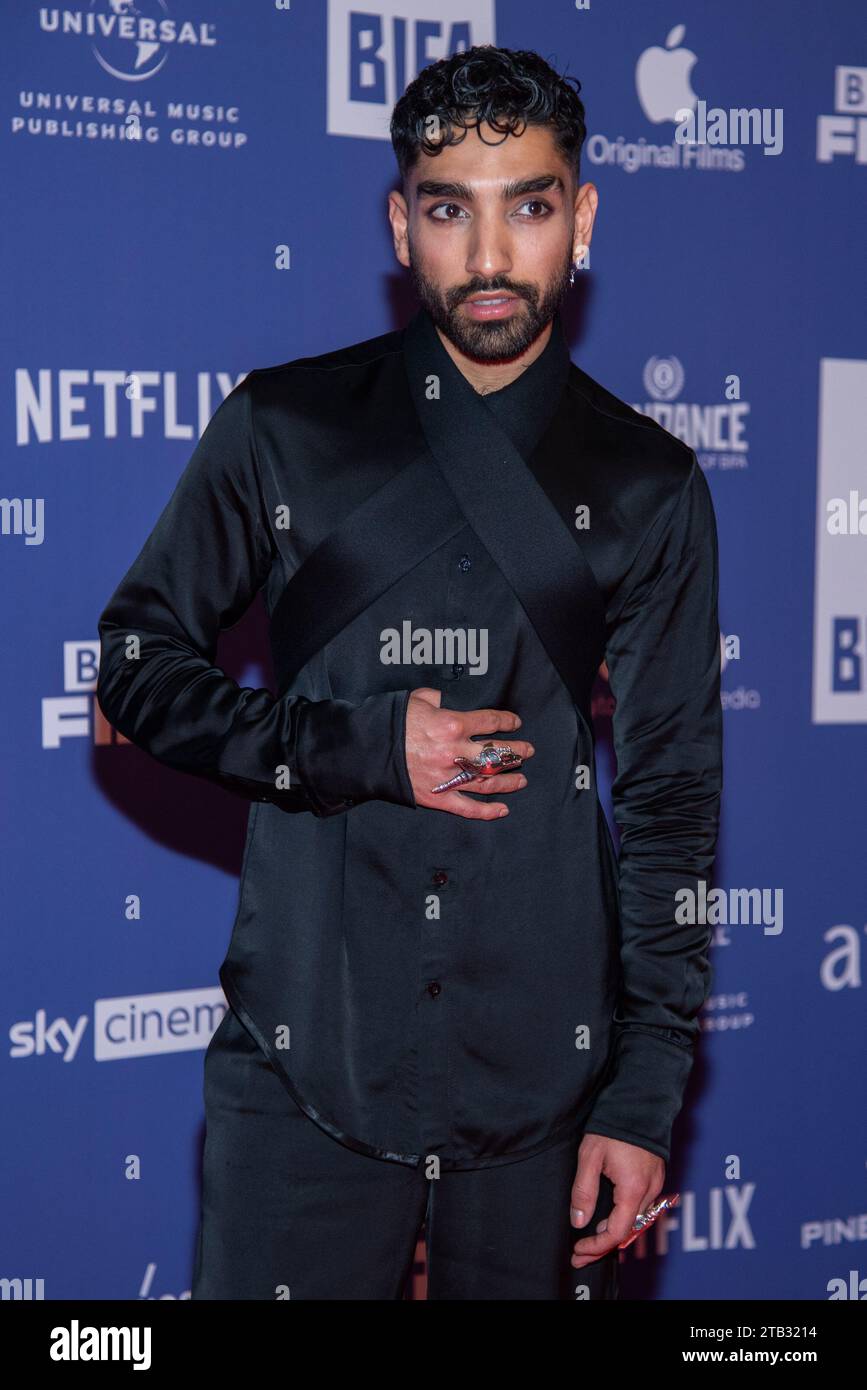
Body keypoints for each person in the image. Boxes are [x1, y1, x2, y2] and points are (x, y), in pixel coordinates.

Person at [96, 45, 723, 1301]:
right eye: (450, 208)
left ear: (581, 217)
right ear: (402, 224)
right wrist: (356, 748)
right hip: (302, 1067)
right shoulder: (284, 429)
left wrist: (644, 1094)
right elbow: (133, 666)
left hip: (545, 1097)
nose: (490, 256)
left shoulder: (650, 486)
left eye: (529, 205)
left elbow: (670, 804)